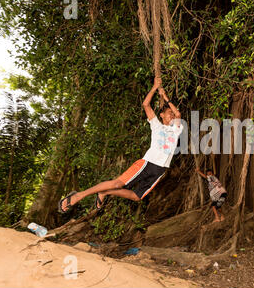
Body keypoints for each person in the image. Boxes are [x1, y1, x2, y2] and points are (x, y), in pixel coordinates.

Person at [58, 77, 183, 213]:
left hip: (161, 169)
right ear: (162, 115)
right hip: (148, 163)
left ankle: (105, 193)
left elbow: (178, 113)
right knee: (118, 183)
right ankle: (79, 195)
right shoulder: (156, 125)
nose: (172, 115)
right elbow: (146, 105)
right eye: (168, 113)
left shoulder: (176, 129)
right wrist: (155, 88)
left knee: (136, 196)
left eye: (172, 113)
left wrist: (165, 97)